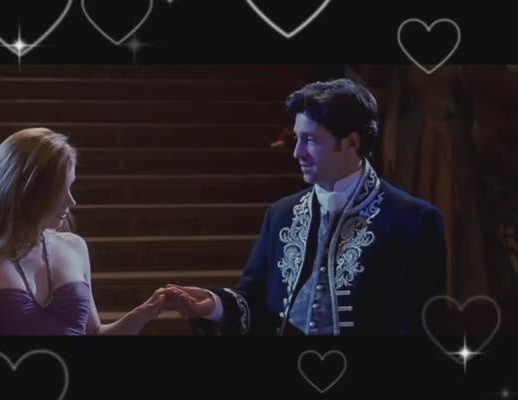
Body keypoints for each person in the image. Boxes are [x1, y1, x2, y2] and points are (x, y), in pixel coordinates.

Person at [165, 78, 447, 336]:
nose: (297, 152)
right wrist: (213, 305)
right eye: (297, 138)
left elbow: (420, 330)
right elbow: (254, 300)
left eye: (310, 140)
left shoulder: (414, 221)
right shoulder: (281, 214)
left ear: (352, 142)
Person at [0, 127, 175, 335]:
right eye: (60, 190)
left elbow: (93, 334)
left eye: (71, 187)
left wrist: (143, 314)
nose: (71, 201)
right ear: (26, 191)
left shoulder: (74, 247)